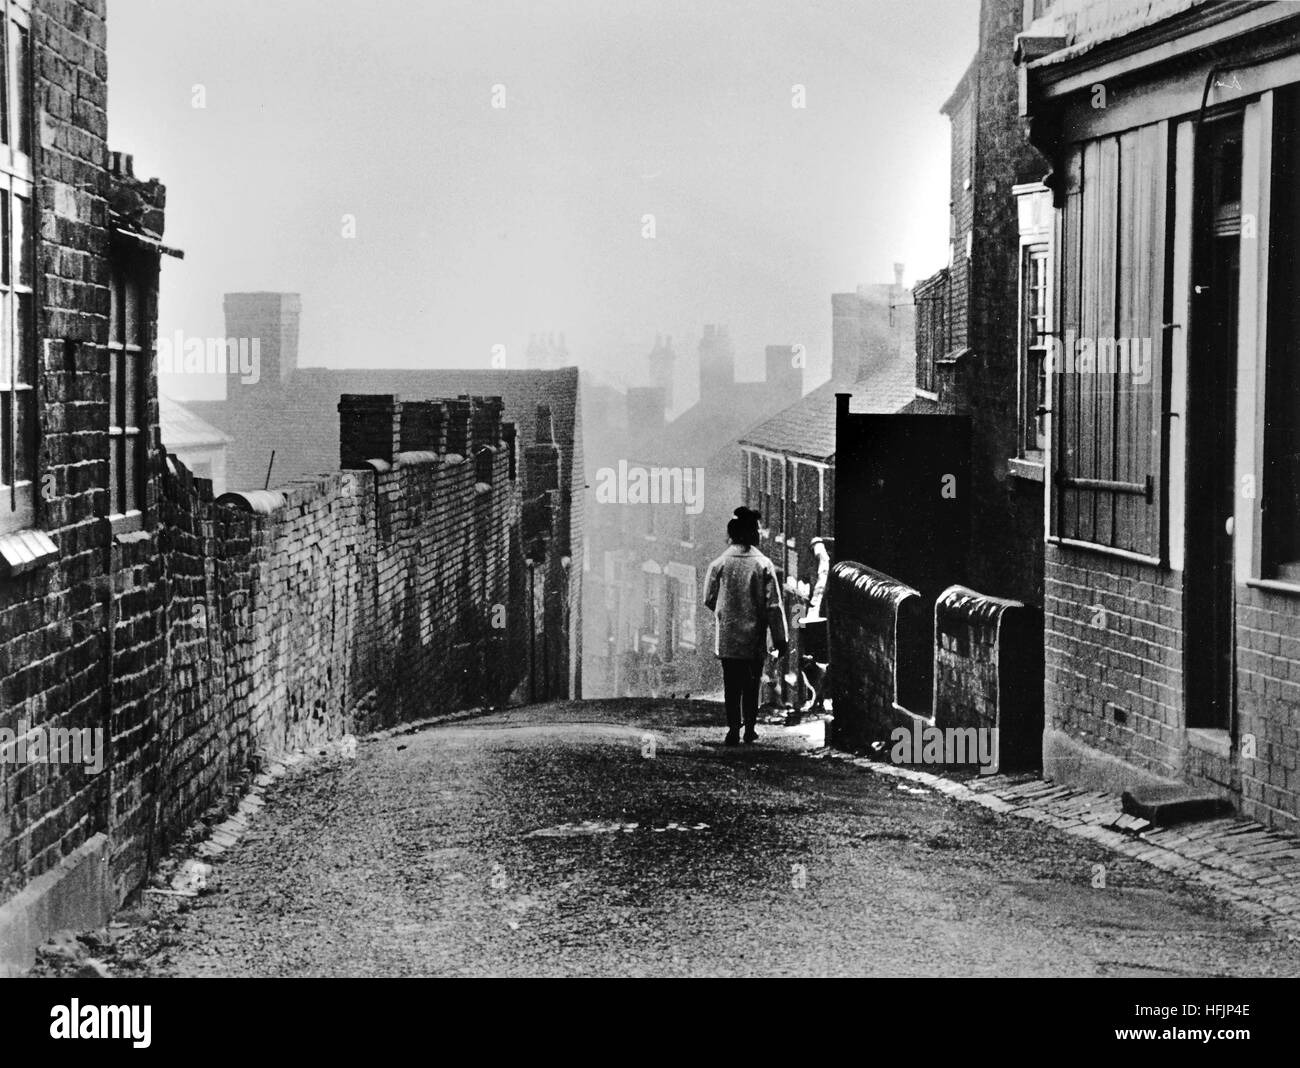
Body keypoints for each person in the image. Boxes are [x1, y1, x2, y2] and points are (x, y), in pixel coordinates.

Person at [703, 507, 789, 745]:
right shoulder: (763, 564)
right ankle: (749, 728)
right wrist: (780, 638)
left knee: (732, 684)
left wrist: (725, 613)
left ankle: (733, 730)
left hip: (729, 635)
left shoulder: (720, 563)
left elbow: (708, 598)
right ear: (753, 534)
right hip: (753, 635)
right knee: (752, 684)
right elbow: (773, 606)